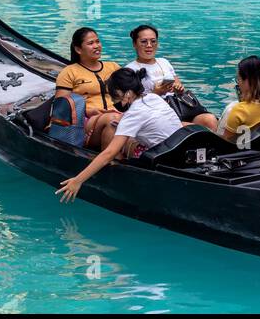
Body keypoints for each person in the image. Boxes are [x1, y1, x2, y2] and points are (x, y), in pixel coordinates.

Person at [56, 68, 182, 202]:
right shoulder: (153, 97)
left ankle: (115, 173)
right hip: (179, 149)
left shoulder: (133, 115)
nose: (114, 100)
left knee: (115, 142)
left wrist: (78, 180)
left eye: (115, 96)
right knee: (122, 133)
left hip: (162, 159)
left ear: (127, 94)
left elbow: (109, 153)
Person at [125, 24, 217, 130]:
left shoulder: (164, 62)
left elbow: (179, 85)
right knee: (194, 128)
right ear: (134, 44)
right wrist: (155, 94)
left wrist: (179, 88)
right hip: (155, 113)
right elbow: (131, 103)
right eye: (144, 41)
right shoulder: (130, 69)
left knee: (209, 120)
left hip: (178, 108)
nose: (149, 45)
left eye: (153, 41)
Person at [54, 27, 124, 150]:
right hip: (86, 120)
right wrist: (88, 111)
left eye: (97, 41)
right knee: (113, 120)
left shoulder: (113, 67)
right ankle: (110, 162)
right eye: (91, 43)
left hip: (118, 113)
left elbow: (130, 94)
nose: (97, 46)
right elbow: (62, 107)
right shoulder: (69, 72)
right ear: (78, 49)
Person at [217, 56, 260, 148]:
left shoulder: (238, 110)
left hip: (243, 154)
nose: (238, 84)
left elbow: (224, 143)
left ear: (248, 81)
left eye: (239, 79)